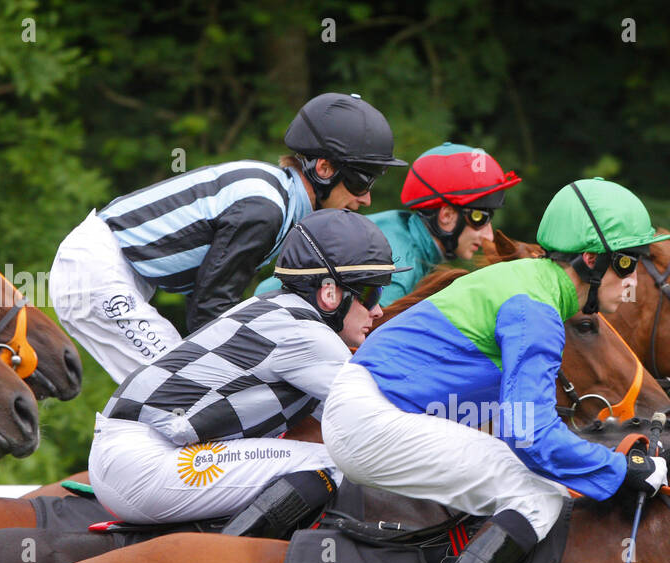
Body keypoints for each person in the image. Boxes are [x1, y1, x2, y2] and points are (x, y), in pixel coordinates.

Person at [321, 178, 670, 563]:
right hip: (373, 419)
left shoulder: (529, 285)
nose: (634, 281)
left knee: (539, 483)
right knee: (540, 496)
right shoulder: (535, 309)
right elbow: (529, 433)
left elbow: (521, 429)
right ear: (593, 260)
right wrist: (620, 472)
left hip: (369, 411)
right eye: (629, 262)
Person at [87, 209, 406, 536]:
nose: (378, 310)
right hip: (143, 464)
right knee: (338, 467)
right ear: (329, 293)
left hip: (126, 456)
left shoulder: (274, 308)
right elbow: (380, 416)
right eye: (370, 294)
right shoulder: (309, 336)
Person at [50, 92, 407, 382]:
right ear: (324, 168)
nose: (366, 199)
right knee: (179, 387)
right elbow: (209, 311)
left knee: (182, 386)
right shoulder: (266, 210)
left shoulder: (279, 201)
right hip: (98, 273)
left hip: (114, 271)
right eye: (362, 180)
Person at [254, 143, 519, 306]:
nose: (488, 234)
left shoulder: (405, 231)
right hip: (275, 320)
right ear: (447, 215)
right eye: (478, 217)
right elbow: (368, 340)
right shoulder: (400, 262)